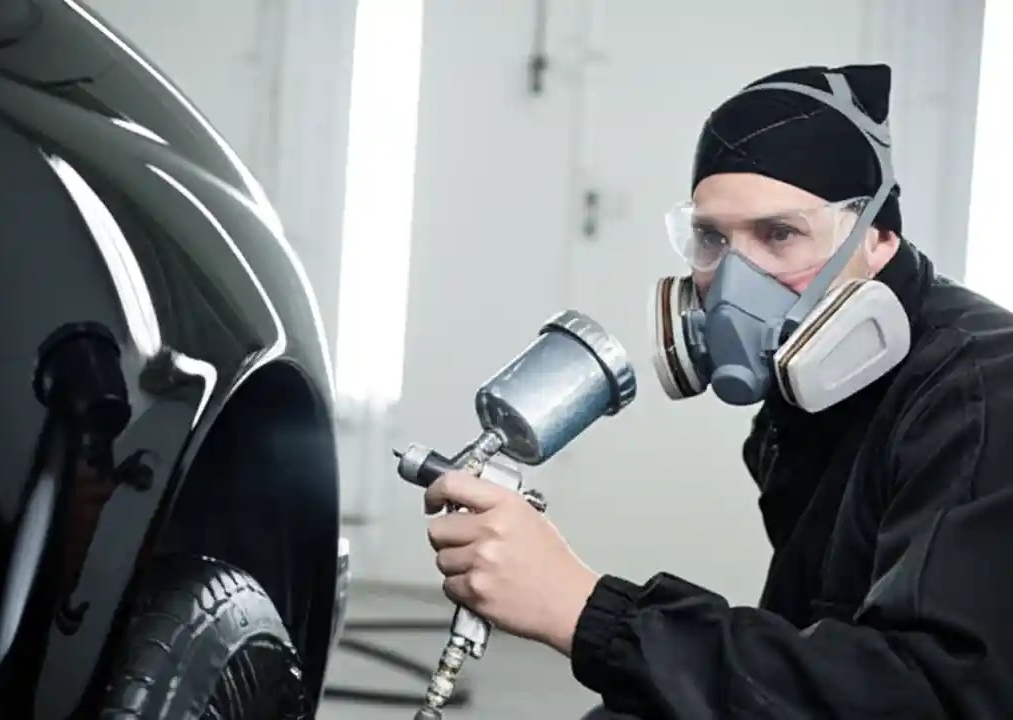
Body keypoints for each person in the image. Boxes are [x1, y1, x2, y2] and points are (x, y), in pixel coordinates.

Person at [422, 63, 1013, 718]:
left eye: (779, 234)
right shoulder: (812, 399)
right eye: (711, 239)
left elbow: (936, 697)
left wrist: (584, 610)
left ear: (877, 238)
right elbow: (805, 654)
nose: (734, 281)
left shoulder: (981, 393)